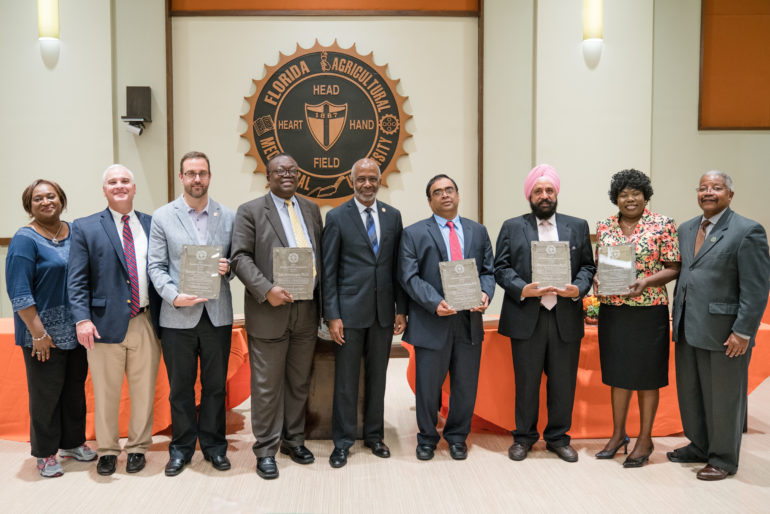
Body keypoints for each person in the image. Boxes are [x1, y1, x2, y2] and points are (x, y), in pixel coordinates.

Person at [669, 170, 770, 481]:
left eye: (716, 187)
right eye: (703, 187)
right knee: (691, 392)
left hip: (725, 333)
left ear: (730, 194)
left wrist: (743, 331)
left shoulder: (747, 231)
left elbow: (756, 288)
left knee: (724, 397)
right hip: (688, 327)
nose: (708, 192)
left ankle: (723, 458)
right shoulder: (686, 229)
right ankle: (699, 445)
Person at [494, 164, 595, 463]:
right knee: (526, 382)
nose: (544, 195)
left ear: (556, 193)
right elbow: (500, 268)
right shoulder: (513, 226)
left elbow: (588, 266)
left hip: (564, 315)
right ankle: (523, 438)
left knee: (563, 382)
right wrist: (524, 288)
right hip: (527, 313)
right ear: (530, 195)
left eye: (549, 190)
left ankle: (558, 438)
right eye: (538, 191)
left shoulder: (577, 226)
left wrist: (577, 289)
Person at [230, 153, 322, 479]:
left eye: (293, 171)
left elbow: (318, 258)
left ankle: (293, 440)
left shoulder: (311, 209)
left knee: (298, 382)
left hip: (306, 311)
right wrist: (266, 289)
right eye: (279, 171)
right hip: (268, 310)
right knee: (267, 386)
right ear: (267, 176)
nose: (287, 175)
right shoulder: (251, 211)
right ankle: (266, 449)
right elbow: (240, 257)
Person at [68, 165, 162, 476]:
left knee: (144, 391)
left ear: (134, 189)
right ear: (104, 190)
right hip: (102, 323)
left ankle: (137, 447)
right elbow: (77, 280)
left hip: (146, 320)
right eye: (112, 182)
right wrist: (82, 319)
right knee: (106, 392)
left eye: (125, 181)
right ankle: (107, 450)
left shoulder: (152, 224)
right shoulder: (85, 227)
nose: (119, 186)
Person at [148, 151, 235, 476]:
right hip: (177, 317)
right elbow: (155, 266)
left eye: (202, 173)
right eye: (190, 173)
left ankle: (214, 446)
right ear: (182, 177)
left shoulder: (228, 215)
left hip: (217, 316)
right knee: (181, 388)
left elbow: (238, 259)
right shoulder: (163, 216)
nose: (197, 179)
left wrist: (229, 267)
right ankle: (182, 449)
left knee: (215, 387)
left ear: (209, 177)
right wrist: (173, 296)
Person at [398, 174, 495, 461]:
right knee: (428, 387)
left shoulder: (478, 231)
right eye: (437, 192)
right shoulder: (413, 233)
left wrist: (485, 294)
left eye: (449, 189)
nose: (445, 195)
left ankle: (456, 437)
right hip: (432, 320)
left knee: (465, 386)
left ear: (458, 194)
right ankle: (426, 438)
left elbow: (488, 271)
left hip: (468, 321)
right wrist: (434, 302)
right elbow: (408, 276)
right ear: (430, 201)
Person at [5, 180, 96, 478]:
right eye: (38, 198)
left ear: (61, 199)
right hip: (42, 334)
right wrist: (39, 335)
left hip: (76, 329)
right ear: (29, 205)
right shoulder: (24, 239)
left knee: (74, 391)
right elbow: (19, 292)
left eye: (51, 196)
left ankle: (73, 443)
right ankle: (45, 453)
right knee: (45, 396)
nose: (46, 202)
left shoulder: (74, 232)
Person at [322, 158, 408, 468]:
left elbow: (398, 267)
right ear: (352, 180)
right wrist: (332, 315)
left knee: (378, 378)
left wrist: (401, 309)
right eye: (362, 179)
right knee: (346, 380)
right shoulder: (336, 217)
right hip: (349, 314)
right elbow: (328, 271)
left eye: (373, 178)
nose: (368, 184)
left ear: (380, 180)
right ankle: (342, 442)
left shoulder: (392, 216)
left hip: (383, 313)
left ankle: (374, 436)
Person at [593, 169, 681, 467]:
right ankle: (618, 435)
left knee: (647, 378)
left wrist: (647, 281)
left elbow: (674, 267)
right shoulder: (604, 226)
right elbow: (601, 264)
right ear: (615, 198)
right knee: (617, 376)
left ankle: (644, 439)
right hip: (614, 311)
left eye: (635, 193)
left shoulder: (663, 224)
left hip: (649, 311)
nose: (629, 199)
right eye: (623, 194)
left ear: (646, 196)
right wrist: (596, 279)